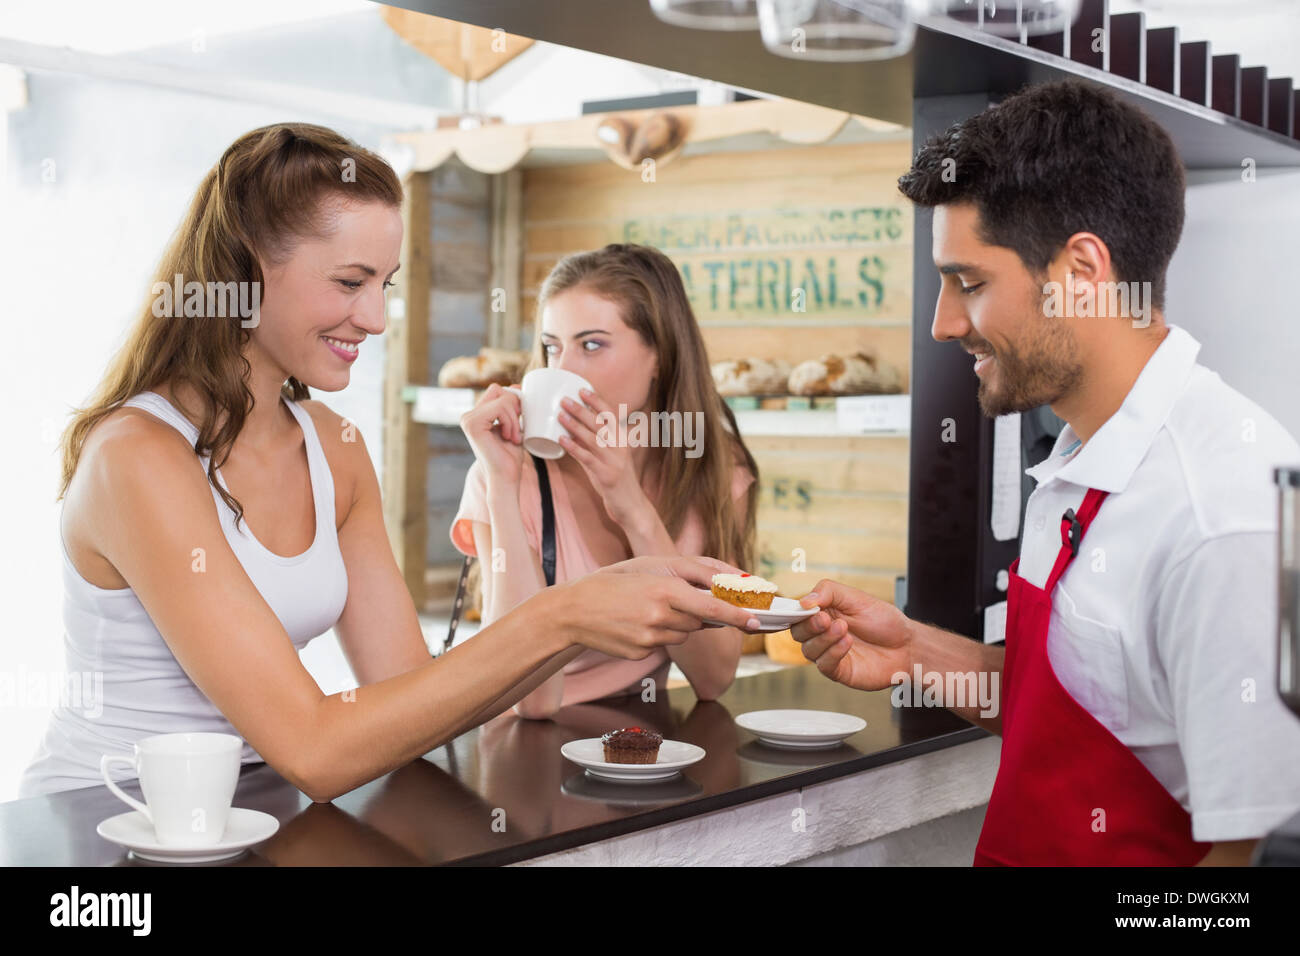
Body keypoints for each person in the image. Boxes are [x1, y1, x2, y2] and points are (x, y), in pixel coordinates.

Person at [18, 124, 761, 802]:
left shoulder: (333, 447)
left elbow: (412, 701)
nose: (375, 318)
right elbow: (314, 745)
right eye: (350, 282)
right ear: (247, 271)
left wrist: (583, 608)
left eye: (385, 285)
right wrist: (565, 615)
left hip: (260, 807)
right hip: (109, 821)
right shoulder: (138, 456)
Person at [792, 79, 1300, 867]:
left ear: (1083, 270)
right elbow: (1086, 708)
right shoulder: (1075, 452)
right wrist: (916, 654)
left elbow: (1253, 861)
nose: (943, 323)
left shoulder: (1225, 516)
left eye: (970, 283)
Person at [452, 243, 760, 718]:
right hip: (527, 744)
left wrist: (631, 505)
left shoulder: (712, 469)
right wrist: (501, 485)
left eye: (592, 344)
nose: (564, 370)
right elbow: (530, 702)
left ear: (660, 355)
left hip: (643, 740)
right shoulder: (511, 476)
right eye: (553, 347)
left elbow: (712, 678)